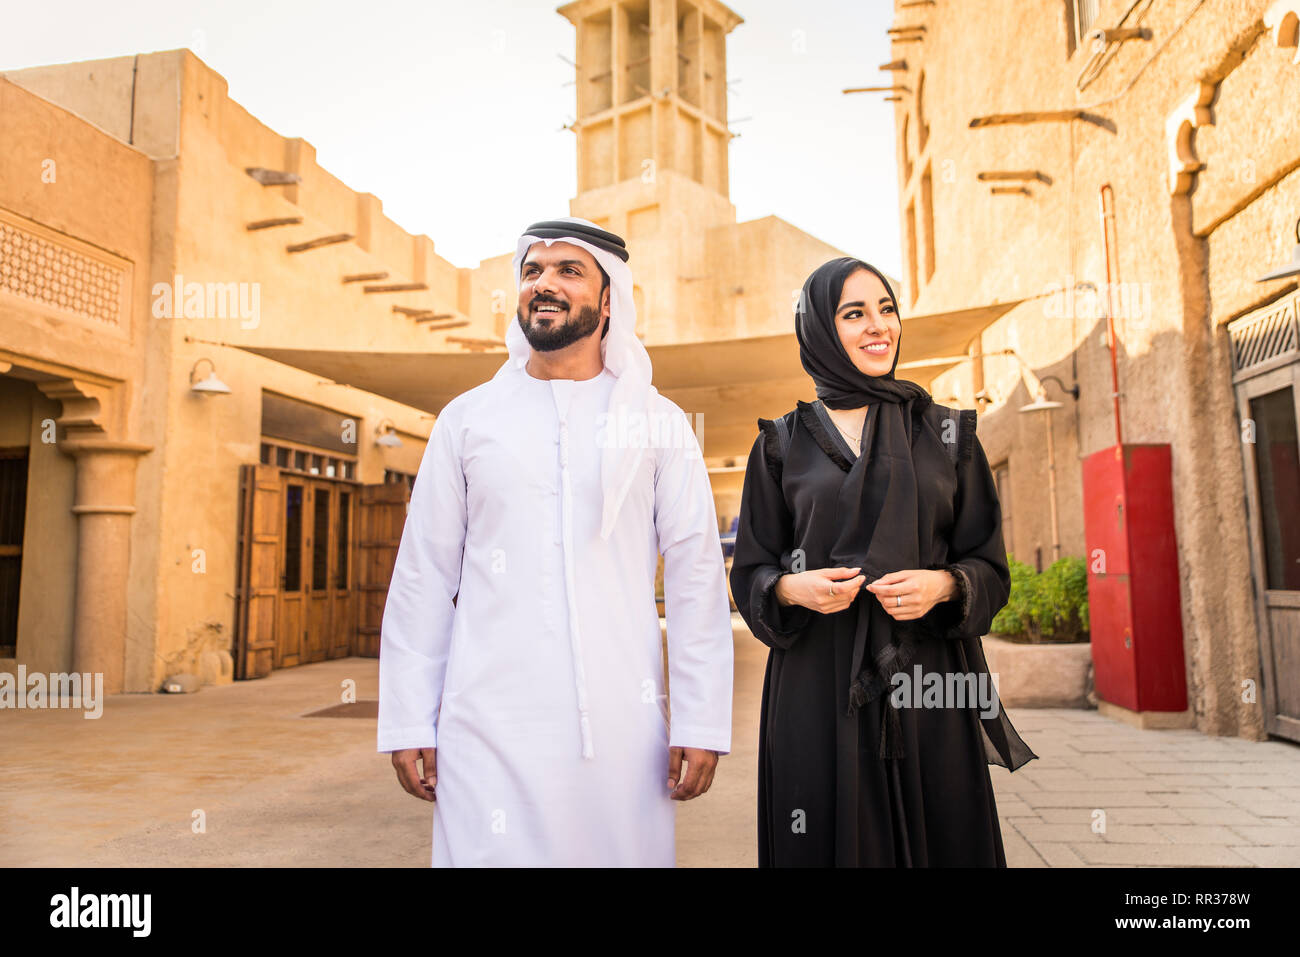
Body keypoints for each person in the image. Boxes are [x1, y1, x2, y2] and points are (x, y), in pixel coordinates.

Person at [377, 217, 734, 867]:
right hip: (485, 723)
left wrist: (701, 719)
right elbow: (423, 576)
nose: (544, 283)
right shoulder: (467, 421)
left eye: (569, 270)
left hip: (623, 733)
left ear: (608, 299)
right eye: (532, 270)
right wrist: (408, 717)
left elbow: (695, 578)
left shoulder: (658, 423)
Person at [729, 256, 1036, 867]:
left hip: (929, 682)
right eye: (854, 313)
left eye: (887, 309)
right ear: (819, 329)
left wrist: (945, 584)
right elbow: (752, 571)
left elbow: (990, 566)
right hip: (817, 681)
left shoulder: (948, 434)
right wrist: (793, 590)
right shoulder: (781, 443)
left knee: (943, 833)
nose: (879, 327)